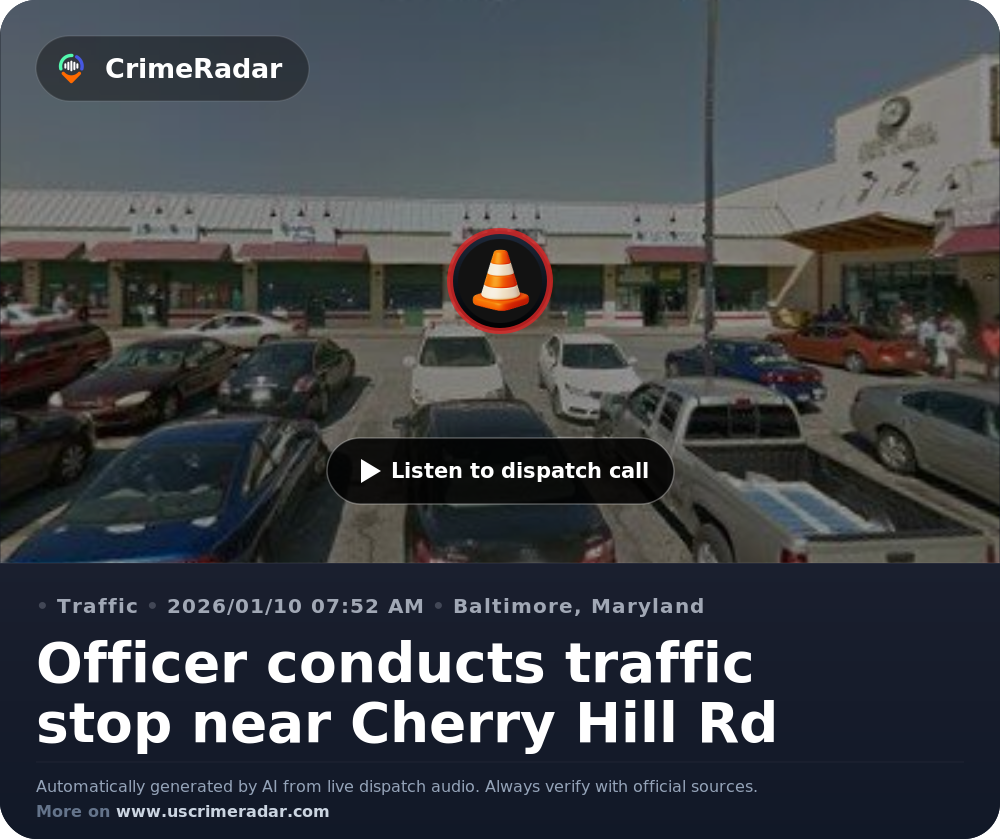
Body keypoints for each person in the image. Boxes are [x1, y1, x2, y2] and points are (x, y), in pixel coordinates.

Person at [981, 315, 1000, 381]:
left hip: (996, 350)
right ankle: (988, 377)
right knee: (989, 363)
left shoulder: (998, 330)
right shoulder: (987, 332)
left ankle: (991, 376)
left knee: (993, 364)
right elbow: (988, 343)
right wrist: (994, 352)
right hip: (989, 350)